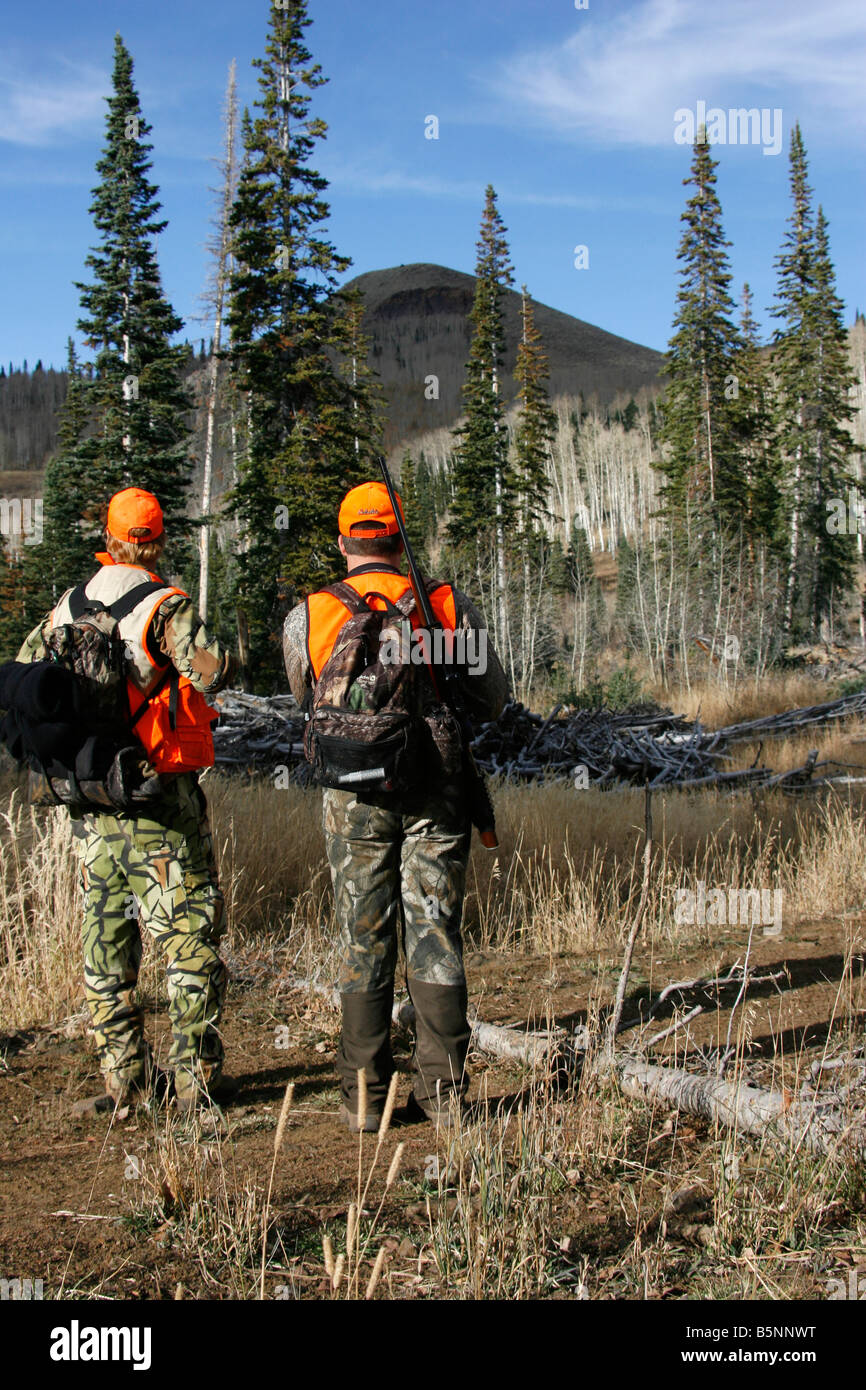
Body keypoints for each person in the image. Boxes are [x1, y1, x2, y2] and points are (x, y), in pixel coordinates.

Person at [283, 480, 508, 1129]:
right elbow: (494, 696)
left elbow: (307, 695)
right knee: (434, 929)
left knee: (363, 932)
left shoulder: (314, 612)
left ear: (343, 541)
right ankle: (442, 1095)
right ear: (401, 532)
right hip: (435, 785)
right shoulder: (440, 603)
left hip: (351, 791)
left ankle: (363, 1098)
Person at [17, 487, 235, 1116]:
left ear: (108, 538)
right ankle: (196, 1082)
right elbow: (212, 668)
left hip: (89, 803)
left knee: (104, 942)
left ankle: (124, 1080)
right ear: (157, 540)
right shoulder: (165, 605)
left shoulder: (66, 607)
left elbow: (29, 670)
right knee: (188, 936)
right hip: (157, 805)